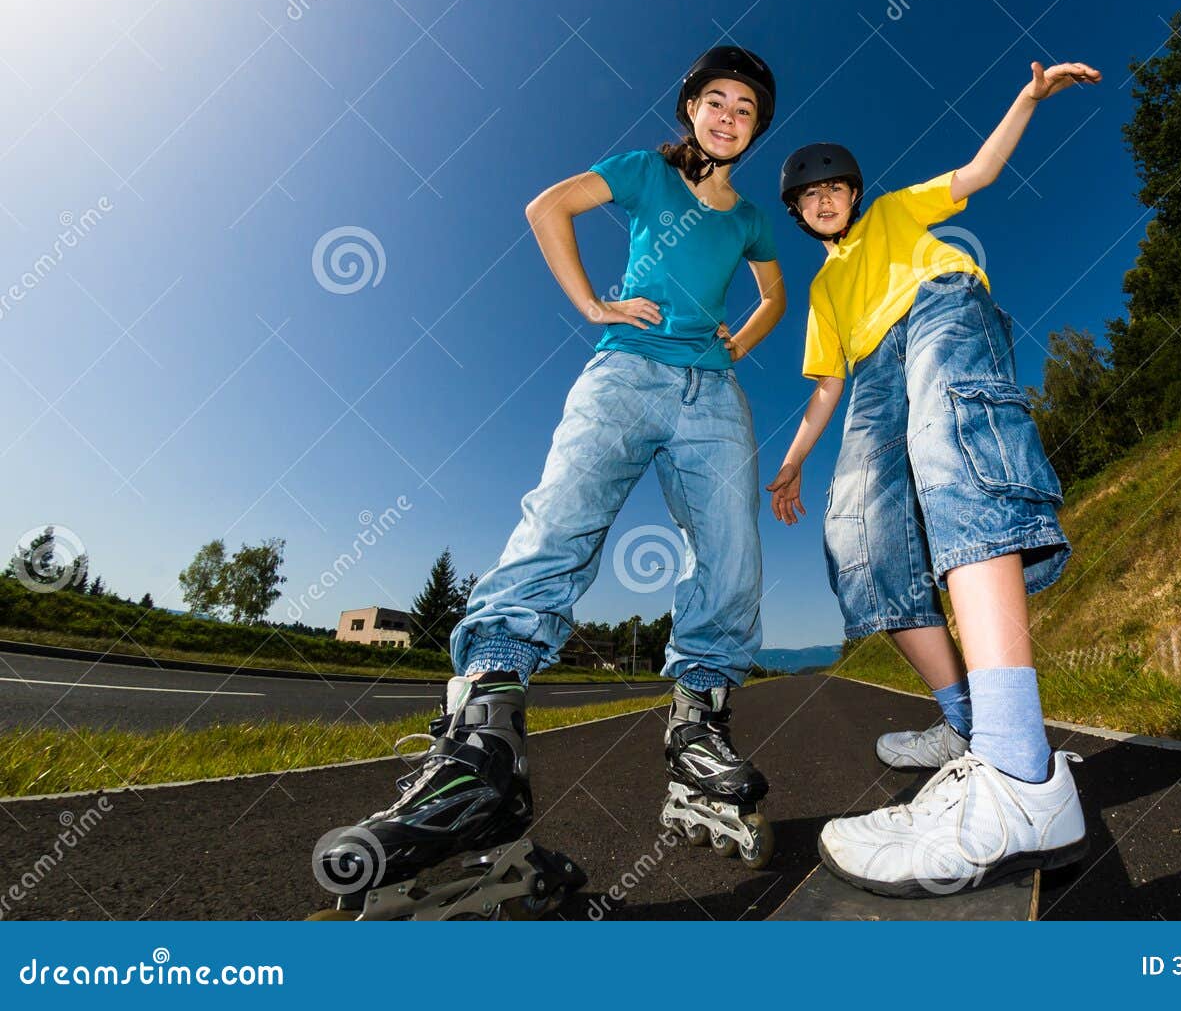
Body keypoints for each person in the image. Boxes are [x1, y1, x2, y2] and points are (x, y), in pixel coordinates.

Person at [318, 46, 786, 915]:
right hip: (625, 375)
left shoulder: (751, 217)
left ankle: (698, 728)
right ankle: (478, 746)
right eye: (714, 101)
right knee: (560, 523)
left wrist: (741, 342)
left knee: (730, 554)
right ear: (691, 111)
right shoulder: (646, 172)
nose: (727, 115)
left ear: (757, 128)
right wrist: (593, 305)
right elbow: (547, 207)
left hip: (712, 397)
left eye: (745, 108)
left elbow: (774, 295)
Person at [765, 59, 1102, 896]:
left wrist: (1026, 97)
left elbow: (980, 172)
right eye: (808, 200)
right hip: (869, 371)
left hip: (939, 308)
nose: (823, 203)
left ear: (851, 190)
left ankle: (1020, 769)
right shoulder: (822, 291)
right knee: (858, 532)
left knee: (947, 443)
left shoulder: (894, 213)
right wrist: (792, 461)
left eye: (832, 189)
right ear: (801, 217)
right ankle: (965, 724)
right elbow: (827, 390)